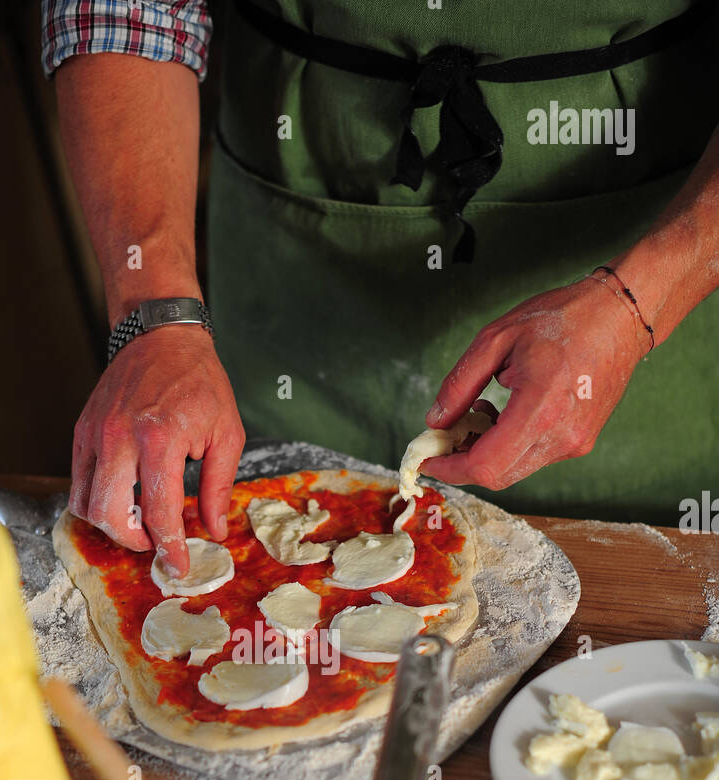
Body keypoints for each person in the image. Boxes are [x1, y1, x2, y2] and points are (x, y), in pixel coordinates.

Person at [42, 1, 719, 577]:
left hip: (656, 227)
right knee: (255, 568)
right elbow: (124, 9)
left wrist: (636, 305)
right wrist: (155, 315)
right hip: (296, 207)